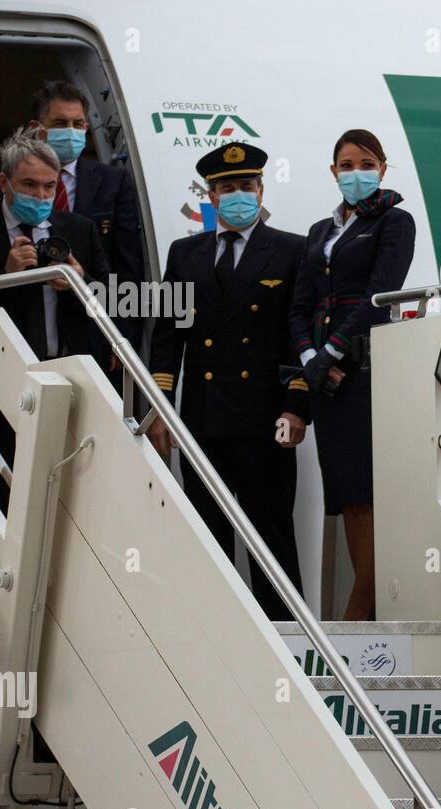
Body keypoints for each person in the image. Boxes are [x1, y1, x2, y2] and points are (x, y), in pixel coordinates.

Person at [148, 142, 309, 620]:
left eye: (245, 186)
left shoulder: (291, 250)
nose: (237, 194)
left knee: (271, 540)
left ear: (261, 190)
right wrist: (160, 403)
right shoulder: (185, 254)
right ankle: (212, 637)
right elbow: (168, 332)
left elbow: (301, 334)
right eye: (226, 188)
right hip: (203, 419)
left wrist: (296, 406)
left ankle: (289, 648)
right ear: (211, 195)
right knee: (207, 539)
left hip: (267, 422)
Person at [288, 129, 416, 620]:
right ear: (333, 171)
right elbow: (299, 305)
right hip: (324, 377)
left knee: (366, 488)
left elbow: (380, 294)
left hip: (361, 370)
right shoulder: (321, 231)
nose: (355, 171)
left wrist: (334, 350)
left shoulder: (393, 222)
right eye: (345, 164)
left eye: (365, 162)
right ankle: (363, 603)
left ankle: (359, 612)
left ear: (382, 168)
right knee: (346, 493)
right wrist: (308, 358)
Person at [0, 127, 110, 511]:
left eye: (49, 185)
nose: (41, 196)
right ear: (3, 182)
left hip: (66, 375)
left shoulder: (79, 229)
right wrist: (4, 273)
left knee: (69, 490)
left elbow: (110, 302)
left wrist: (81, 283)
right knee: (4, 489)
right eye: (29, 185)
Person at [0, 80, 146, 358]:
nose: (71, 132)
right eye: (60, 122)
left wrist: (121, 338)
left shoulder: (113, 181)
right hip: (14, 335)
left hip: (91, 332)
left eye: (78, 124)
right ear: (37, 127)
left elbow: (128, 267)